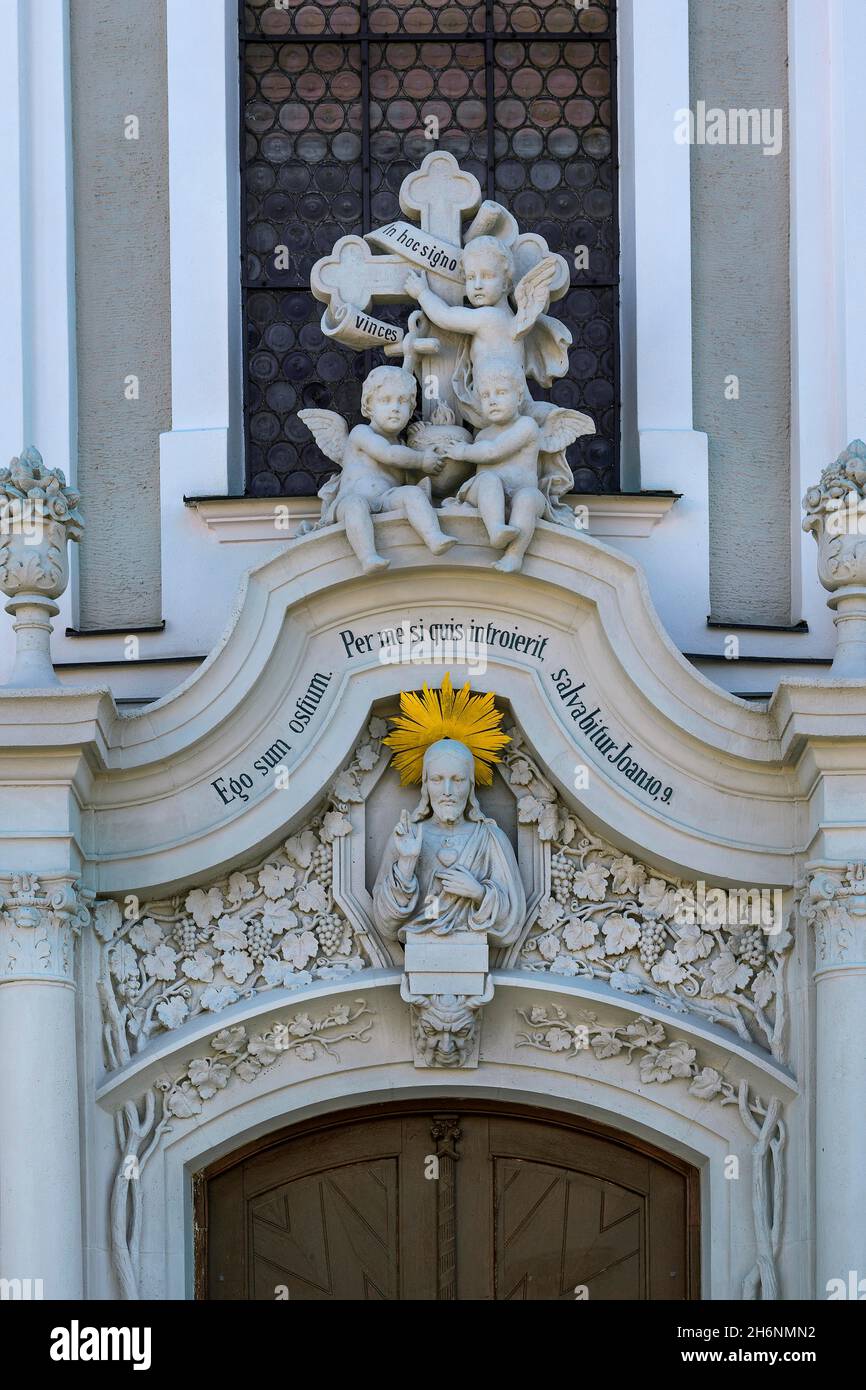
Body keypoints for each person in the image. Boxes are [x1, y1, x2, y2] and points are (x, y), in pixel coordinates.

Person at [298, 366, 457, 573]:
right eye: (385, 400)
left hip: (384, 499)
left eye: (402, 402)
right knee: (356, 507)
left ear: (411, 410)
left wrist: (419, 438)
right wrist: (421, 460)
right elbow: (388, 454)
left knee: (412, 493)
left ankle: (433, 537)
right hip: (350, 500)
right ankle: (368, 556)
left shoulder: (402, 444)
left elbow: (407, 477)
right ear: (368, 407)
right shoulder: (361, 433)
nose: (395, 408)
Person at [373, 736, 525, 945]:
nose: (447, 791)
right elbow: (385, 924)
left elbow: (511, 923)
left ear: (470, 785)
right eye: (437, 779)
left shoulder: (490, 839)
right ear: (425, 786)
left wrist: (479, 893)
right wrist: (406, 864)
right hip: (420, 953)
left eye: (457, 780)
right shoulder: (407, 837)